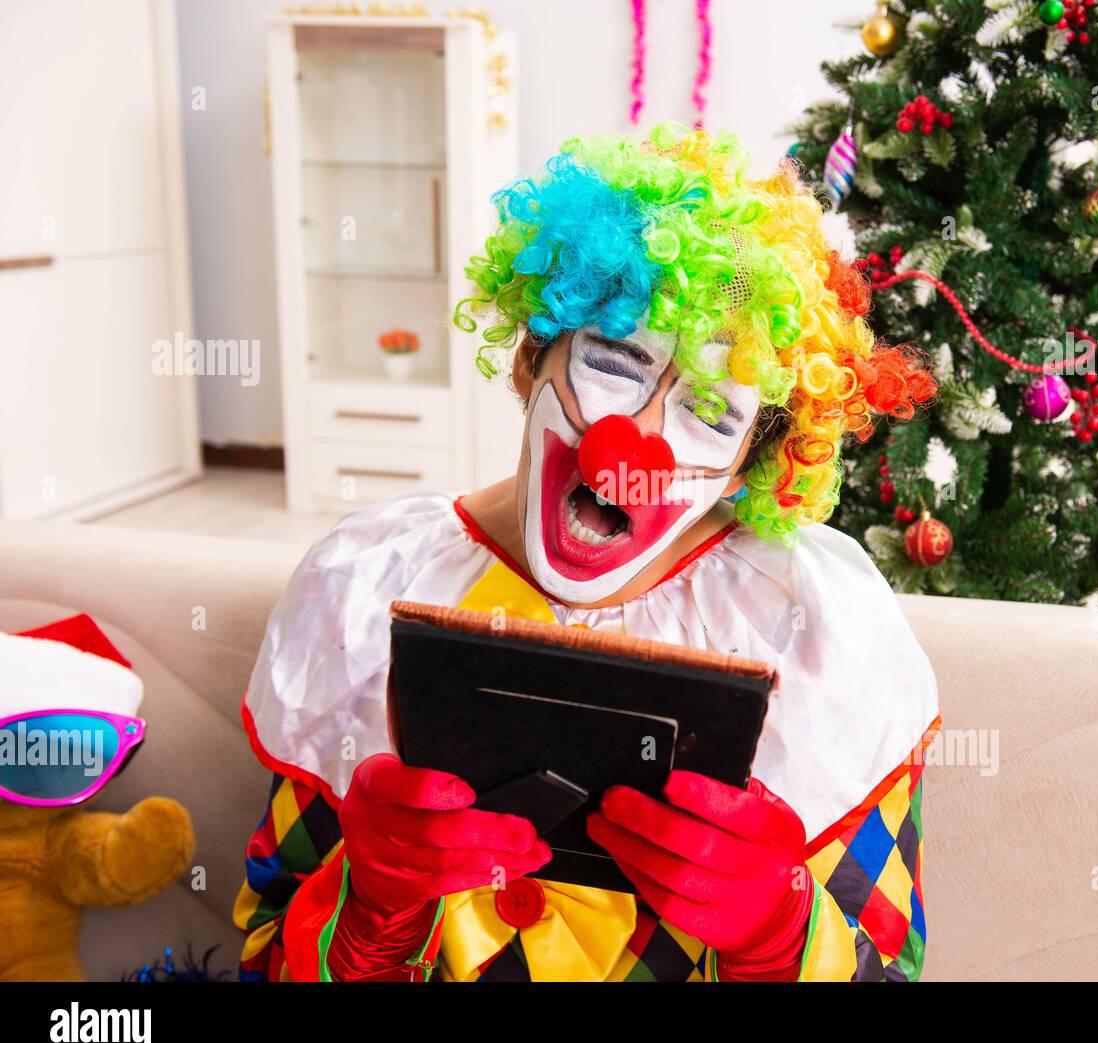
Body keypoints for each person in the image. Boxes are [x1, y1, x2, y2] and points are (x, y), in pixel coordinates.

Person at [234, 125, 940, 982]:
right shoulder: (359, 583)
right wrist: (368, 907)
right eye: (614, 362)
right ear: (534, 356)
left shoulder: (818, 627)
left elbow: (888, 972)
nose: (631, 446)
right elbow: (267, 955)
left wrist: (778, 934)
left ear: (747, 464)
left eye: (711, 414)